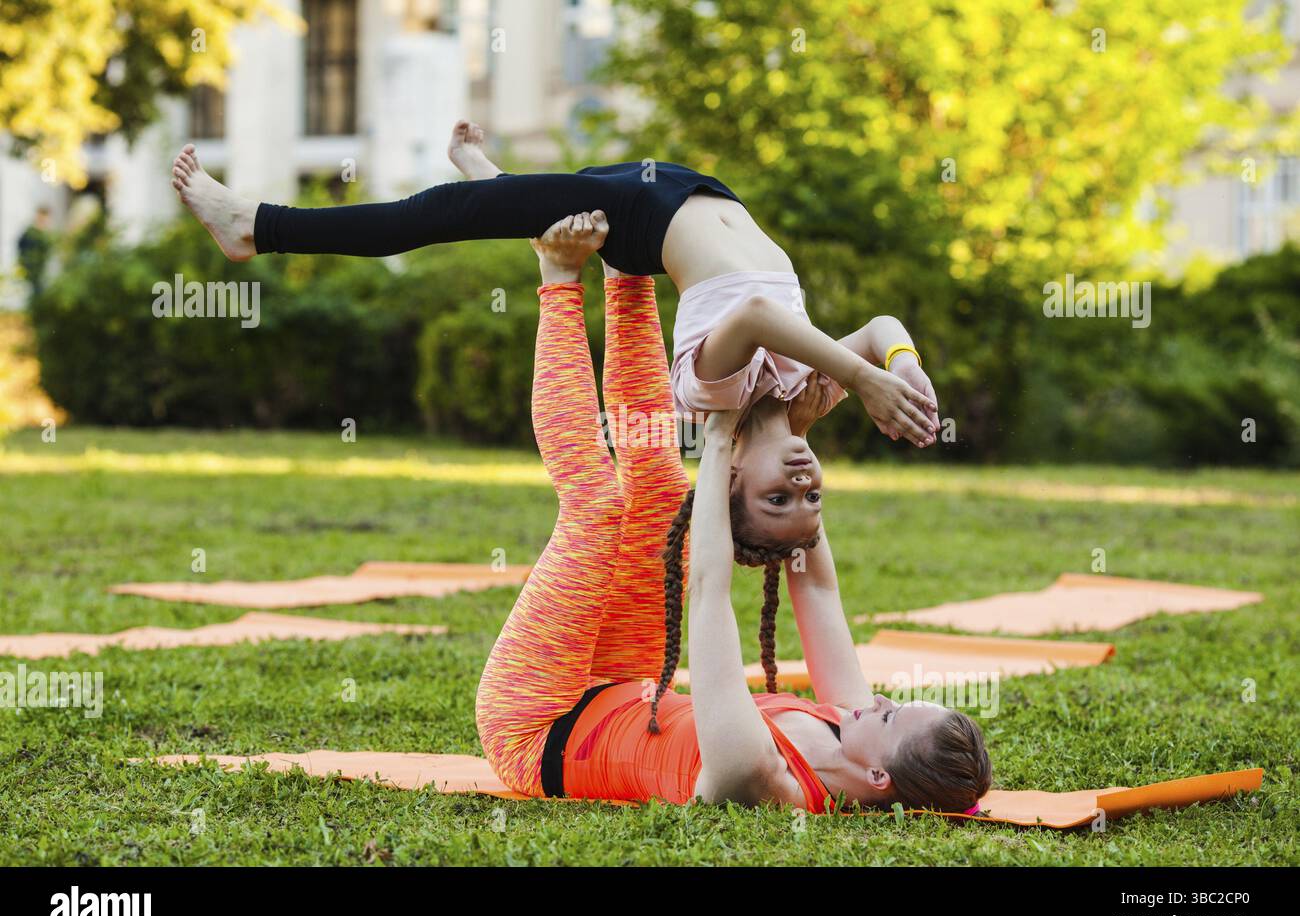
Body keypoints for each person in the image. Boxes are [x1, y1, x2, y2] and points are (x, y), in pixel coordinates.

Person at [170, 122, 940, 563]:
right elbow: (880, 330)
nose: (804, 479)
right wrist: (900, 368)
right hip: (693, 189)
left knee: (433, 215)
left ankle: (254, 228)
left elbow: (757, 321)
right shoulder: (807, 394)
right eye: (812, 496)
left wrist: (861, 379)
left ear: (730, 477)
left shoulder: (715, 397)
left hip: (644, 218)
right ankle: (496, 182)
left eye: (780, 497)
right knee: (507, 200)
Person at [475, 211, 990, 815]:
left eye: (892, 714)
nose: (875, 701)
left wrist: (721, 444)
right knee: (662, 496)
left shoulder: (760, 773)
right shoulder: (851, 724)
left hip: (539, 724)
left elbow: (710, 594)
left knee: (598, 508)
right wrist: (795, 453)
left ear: (878, 775)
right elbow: (819, 590)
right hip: (629, 681)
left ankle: (558, 276)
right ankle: (627, 272)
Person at [17, 206, 53, 296]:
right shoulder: (30, 232)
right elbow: (21, 246)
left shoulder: (47, 234)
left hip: (41, 269)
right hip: (29, 268)